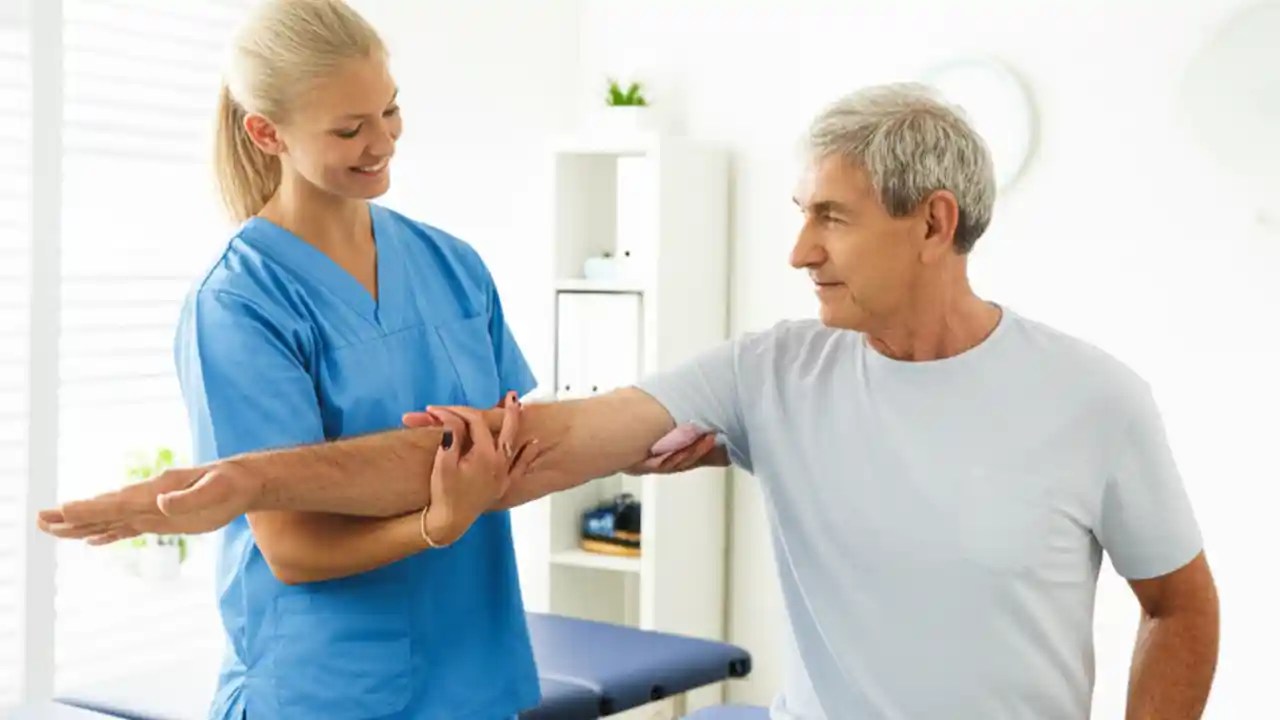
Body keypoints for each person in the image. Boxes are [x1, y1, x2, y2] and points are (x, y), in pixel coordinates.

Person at [39, 83, 1219, 719]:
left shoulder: (1089, 398)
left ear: (933, 223)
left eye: (830, 218)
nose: (798, 249)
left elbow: (1178, 606)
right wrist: (242, 482)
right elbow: (518, 447)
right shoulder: (769, 372)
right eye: (797, 213)